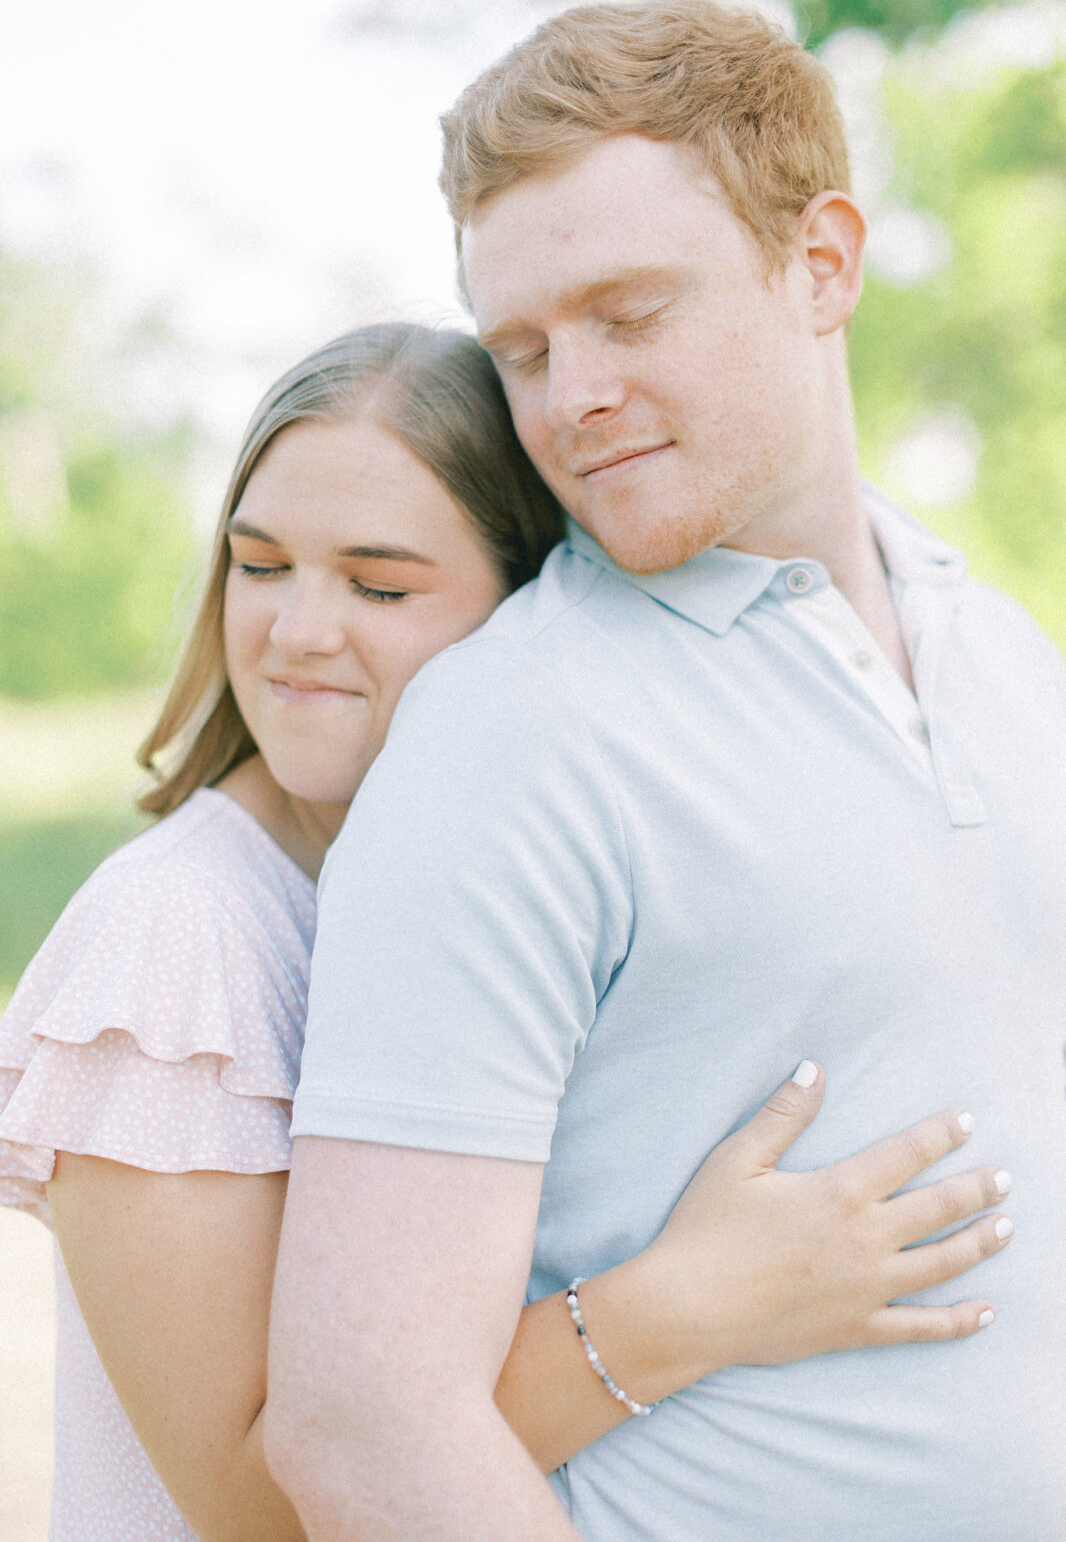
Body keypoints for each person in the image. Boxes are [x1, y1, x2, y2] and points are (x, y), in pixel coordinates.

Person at [265, 0, 1066, 1542]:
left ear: (820, 264)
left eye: (628, 318)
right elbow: (363, 1424)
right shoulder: (509, 739)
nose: (569, 399)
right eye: (520, 350)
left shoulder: (1003, 651)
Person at [0, 322, 1004, 1542]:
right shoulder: (180, 937)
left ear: (529, 611)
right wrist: (688, 1303)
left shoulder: (512, 897)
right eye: (259, 566)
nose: (299, 630)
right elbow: (258, 1507)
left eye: (377, 586)